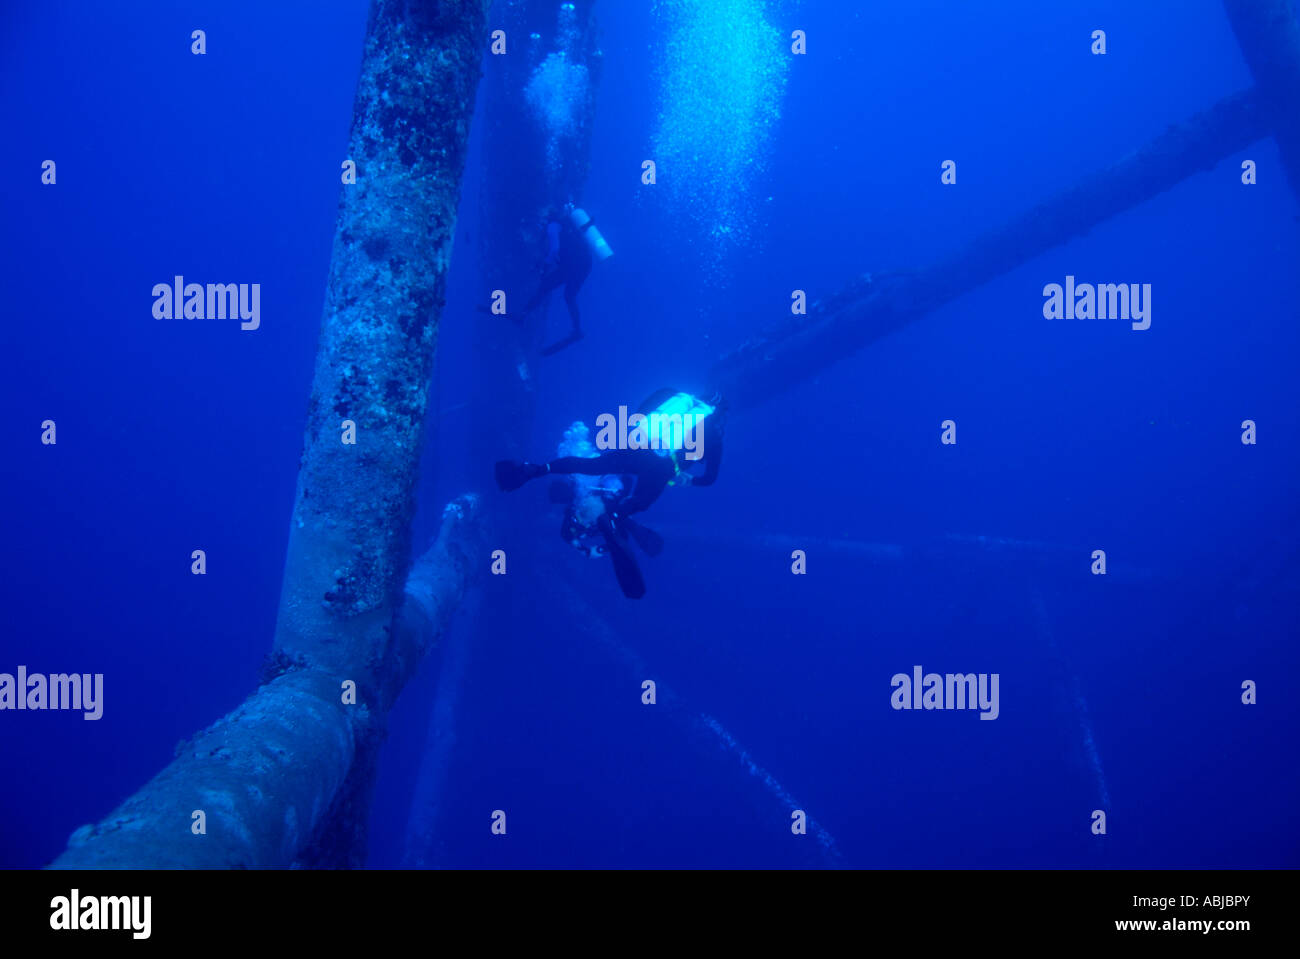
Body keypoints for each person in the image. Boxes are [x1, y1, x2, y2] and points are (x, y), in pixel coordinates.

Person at [495, 389, 726, 598]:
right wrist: (691, 480)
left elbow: (642, 409)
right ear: (719, 413)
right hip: (663, 465)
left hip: (639, 445)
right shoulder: (715, 435)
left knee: (590, 466)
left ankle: (538, 469)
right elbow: (710, 479)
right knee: (641, 501)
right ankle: (614, 518)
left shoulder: (675, 396)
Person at [522, 204, 597, 355]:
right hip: (582, 263)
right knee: (562, 293)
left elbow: (555, 249)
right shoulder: (566, 223)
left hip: (574, 265)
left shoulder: (552, 227)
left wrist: (544, 265)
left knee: (553, 290)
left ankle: (523, 315)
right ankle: (576, 330)